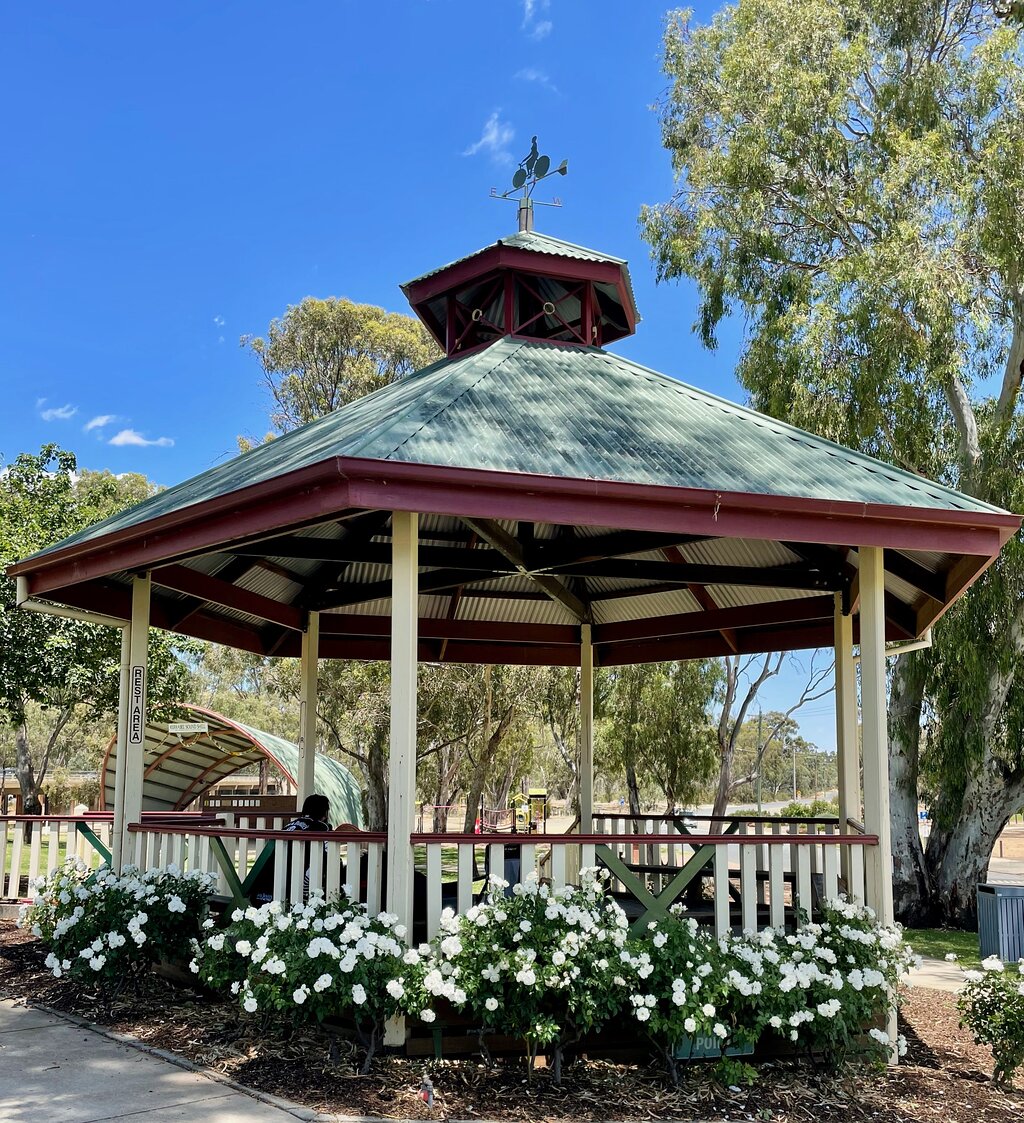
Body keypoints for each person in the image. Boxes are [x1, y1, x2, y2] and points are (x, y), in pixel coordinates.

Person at [248, 794, 332, 904]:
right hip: (291, 885)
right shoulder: (321, 827)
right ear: (324, 813)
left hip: (263, 883)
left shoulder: (290, 825)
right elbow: (328, 856)